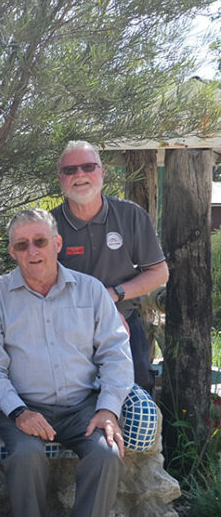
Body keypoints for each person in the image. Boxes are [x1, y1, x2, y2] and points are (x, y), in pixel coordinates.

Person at [0, 208, 132, 517]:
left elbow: (115, 354)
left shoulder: (91, 291)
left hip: (83, 406)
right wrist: (19, 411)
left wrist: (108, 409)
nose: (32, 251)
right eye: (21, 245)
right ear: (11, 251)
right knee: (26, 455)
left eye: (40, 241)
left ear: (57, 244)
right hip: (20, 407)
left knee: (107, 454)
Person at [50, 140, 168, 394]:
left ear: (102, 173)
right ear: (60, 179)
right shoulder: (49, 225)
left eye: (88, 167)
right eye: (70, 170)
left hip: (124, 323)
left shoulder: (131, 215)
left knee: (137, 394)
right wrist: (95, 310)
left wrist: (113, 295)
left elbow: (159, 273)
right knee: (73, 398)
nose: (79, 174)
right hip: (68, 328)